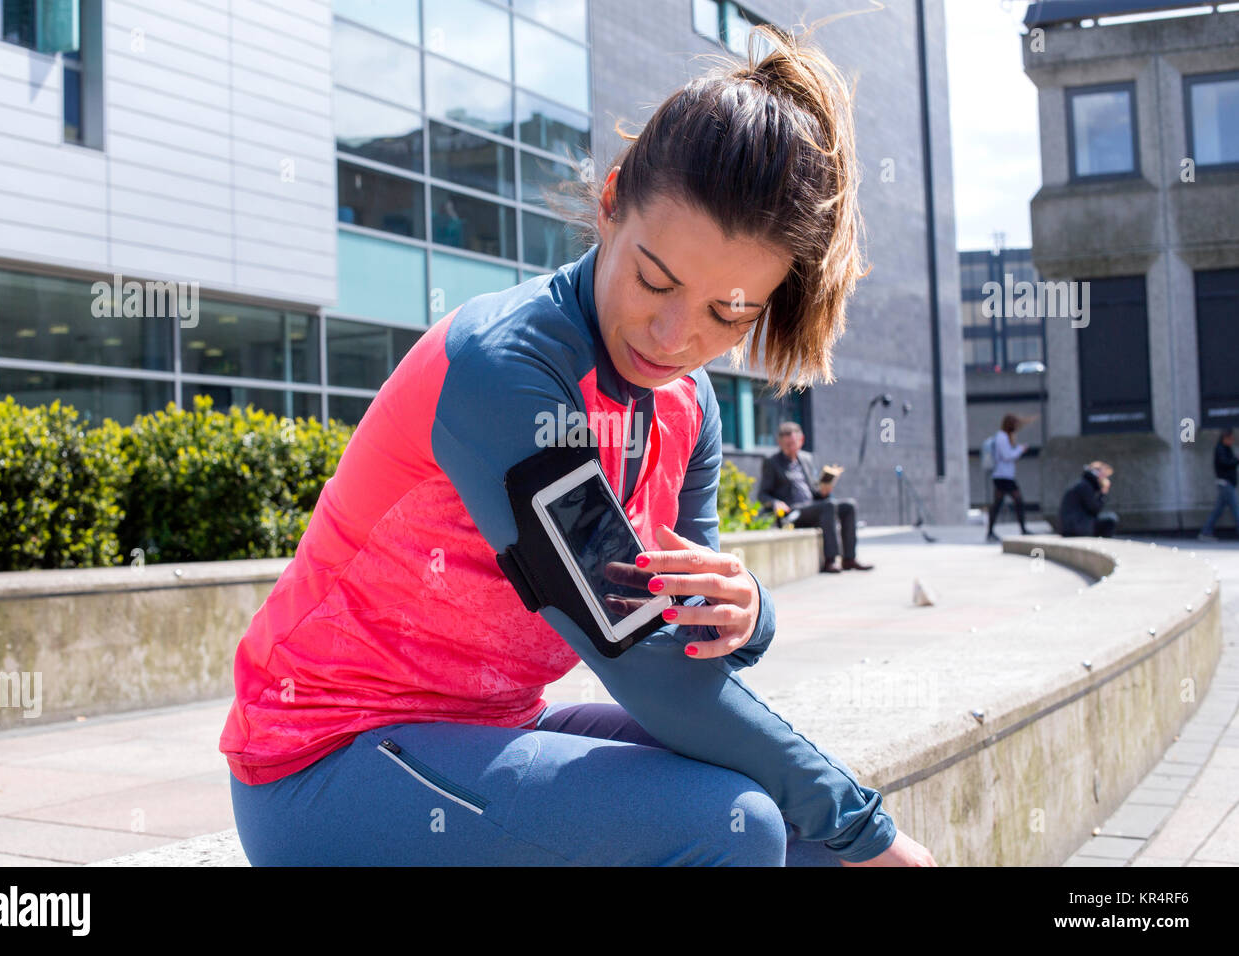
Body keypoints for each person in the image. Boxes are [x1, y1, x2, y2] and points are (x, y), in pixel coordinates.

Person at [220, 23, 934, 867]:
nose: (673, 336)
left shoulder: (687, 405)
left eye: (728, 313)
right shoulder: (506, 374)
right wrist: (874, 831)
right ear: (611, 200)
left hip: (483, 734)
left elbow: (689, 635)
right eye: (655, 280)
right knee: (731, 820)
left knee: (802, 834)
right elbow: (641, 661)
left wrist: (750, 613)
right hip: (324, 765)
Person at [757, 421, 873, 572]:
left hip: (814, 506)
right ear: (779, 443)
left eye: (793, 443)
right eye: (786, 445)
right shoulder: (772, 462)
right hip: (793, 512)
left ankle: (849, 559)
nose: (790, 448)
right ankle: (830, 560)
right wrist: (775, 502)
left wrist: (823, 491)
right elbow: (762, 494)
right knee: (829, 505)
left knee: (849, 505)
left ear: (801, 440)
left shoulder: (806, 459)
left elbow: (814, 490)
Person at [986, 412, 1036, 542]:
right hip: (1003, 476)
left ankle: (991, 532)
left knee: (1000, 504)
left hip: (1005, 476)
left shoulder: (1005, 436)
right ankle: (1022, 529)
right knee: (1016, 501)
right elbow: (1007, 456)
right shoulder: (1002, 437)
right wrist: (1020, 450)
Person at [1198, 428, 1238, 541]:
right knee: (1235, 509)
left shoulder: (1226, 448)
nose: (1232, 441)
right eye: (1230, 439)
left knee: (1218, 510)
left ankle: (1205, 532)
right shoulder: (1220, 449)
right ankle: (1205, 532)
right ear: (1225, 438)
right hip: (1225, 483)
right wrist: (1236, 460)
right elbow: (1225, 463)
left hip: (1227, 483)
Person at [1058, 461, 1117, 537]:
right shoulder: (1085, 486)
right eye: (1104, 475)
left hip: (1073, 526)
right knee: (1110, 520)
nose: (1105, 479)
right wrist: (1103, 493)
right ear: (1097, 474)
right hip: (1076, 527)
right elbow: (1095, 509)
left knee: (1108, 518)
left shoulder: (1084, 484)